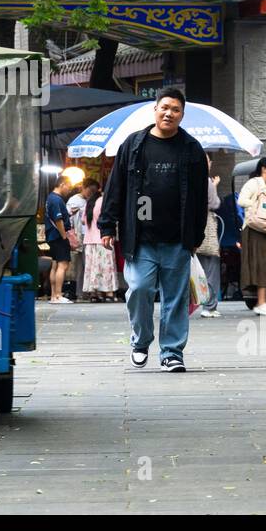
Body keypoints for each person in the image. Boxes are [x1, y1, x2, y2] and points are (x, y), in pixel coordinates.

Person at [99, 88, 209, 373]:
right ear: (155, 110)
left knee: (175, 298)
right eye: (164, 108)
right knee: (139, 289)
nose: (169, 113)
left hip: (178, 237)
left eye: (175, 109)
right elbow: (116, 187)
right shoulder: (134, 145)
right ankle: (140, 340)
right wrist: (107, 225)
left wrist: (196, 235)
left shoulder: (192, 149)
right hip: (141, 237)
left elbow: (199, 197)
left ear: (182, 115)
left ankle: (172, 352)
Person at [237, 158, 266, 315]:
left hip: (265, 229)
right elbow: (242, 200)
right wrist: (256, 206)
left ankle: (263, 302)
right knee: (263, 265)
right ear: (263, 168)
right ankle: (261, 303)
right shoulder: (253, 183)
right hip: (255, 230)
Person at [80, 178, 120, 301]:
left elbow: (83, 221)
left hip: (89, 241)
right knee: (106, 266)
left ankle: (94, 293)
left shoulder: (89, 203)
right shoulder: (104, 201)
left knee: (93, 268)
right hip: (103, 239)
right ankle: (108, 293)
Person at [196, 157, 223, 318]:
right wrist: (214, 187)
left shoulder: (187, 179)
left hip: (189, 228)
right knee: (211, 268)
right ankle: (209, 306)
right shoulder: (206, 181)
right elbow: (214, 204)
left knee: (191, 269)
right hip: (207, 227)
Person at [44, 174, 74, 304]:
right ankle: (58, 295)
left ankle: (53, 295)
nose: (69, 190)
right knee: (63, 264)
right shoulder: (56, 200)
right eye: (68, 187)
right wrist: (64, 236)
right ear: (62, 184)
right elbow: (58, 219)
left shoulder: (50, 198)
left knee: (55, 265)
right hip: (58, 235)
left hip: (51, 236)